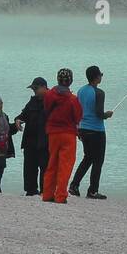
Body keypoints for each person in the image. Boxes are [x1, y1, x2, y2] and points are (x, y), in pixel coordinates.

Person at [70, 65, 113, 199]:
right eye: (100, 74)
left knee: (87, 158)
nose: (101, 76)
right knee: (98, 161)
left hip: (83, 128)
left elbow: (78, 110)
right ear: (96, 77)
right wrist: (107, 115)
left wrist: (77, 127)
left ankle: (74, 186)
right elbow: (99, 113)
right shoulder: (100, 93)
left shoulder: (81, 90)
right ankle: (93, 190)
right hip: (96, 130)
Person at [42, 68, 83, 203]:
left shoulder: (49, 95)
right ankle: (60, 195)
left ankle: (47, 194)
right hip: (68, 134)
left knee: (52, 163)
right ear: (70, 81)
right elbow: (78, 117)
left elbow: (46, 109)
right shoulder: (72, 99)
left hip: (53, 133)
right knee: (65, 165)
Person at [15, 78, 49, 197]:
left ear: (44, 87)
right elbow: (23, 115)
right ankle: (30, 191)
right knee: (29, 167)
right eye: (33, 89)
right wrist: (18, 120)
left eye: (36, 88)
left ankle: (45, 191)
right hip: (30, 140)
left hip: (45, 141)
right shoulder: (32, 102)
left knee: (45, 167)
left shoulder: (51, 100)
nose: (34, 91)